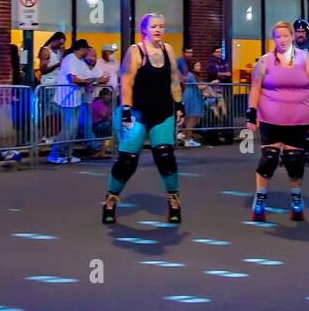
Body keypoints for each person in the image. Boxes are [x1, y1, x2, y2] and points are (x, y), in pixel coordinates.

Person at [101, 13, 185, 224]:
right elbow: (127, 81)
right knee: (127, 160)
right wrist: (127, 110)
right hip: (137, 112)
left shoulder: (168, 50)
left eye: (162, 26)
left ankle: (173, 200)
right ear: (145, 29)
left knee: (165, 156)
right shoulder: (136, 51)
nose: (158, 30)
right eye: (154, 26)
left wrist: (179, 105)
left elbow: (174, 79)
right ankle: (111, 199)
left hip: (163, 112)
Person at [247, 21, 309, 222]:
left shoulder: (306, 59)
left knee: (294, 161)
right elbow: (255, 88)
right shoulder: (264, 62)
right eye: (277, 37)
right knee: (269, 159)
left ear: (291, 37)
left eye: (285, 36)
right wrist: (251, 113)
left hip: (298, 118)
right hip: (271, 117)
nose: (281, 40)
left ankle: (296, 200)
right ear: (273, 39)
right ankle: (260, 199)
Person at [49, 39, 93, 164]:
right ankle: (55, 154)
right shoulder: (70, 59)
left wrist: (89, 80)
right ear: (81, 48)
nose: (86, 52)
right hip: (65, 99)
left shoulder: (81, 62)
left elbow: (87, 76)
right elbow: (73, 78)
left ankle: (68, 154)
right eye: (85, 49)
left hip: (76, 99)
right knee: (68, 128)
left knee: (73, 128)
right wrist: (86, 82)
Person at [181, 60, 204, 148]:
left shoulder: (188, 75)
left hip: (189, 96)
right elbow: (199, 87)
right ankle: (188, 139)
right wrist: (211, 83)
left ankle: (183, 134)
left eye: (199, 65)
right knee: (192, 119)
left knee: (189, 119)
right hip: (192, 97)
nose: (199, 67)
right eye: (197, 65)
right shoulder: (191, 75)